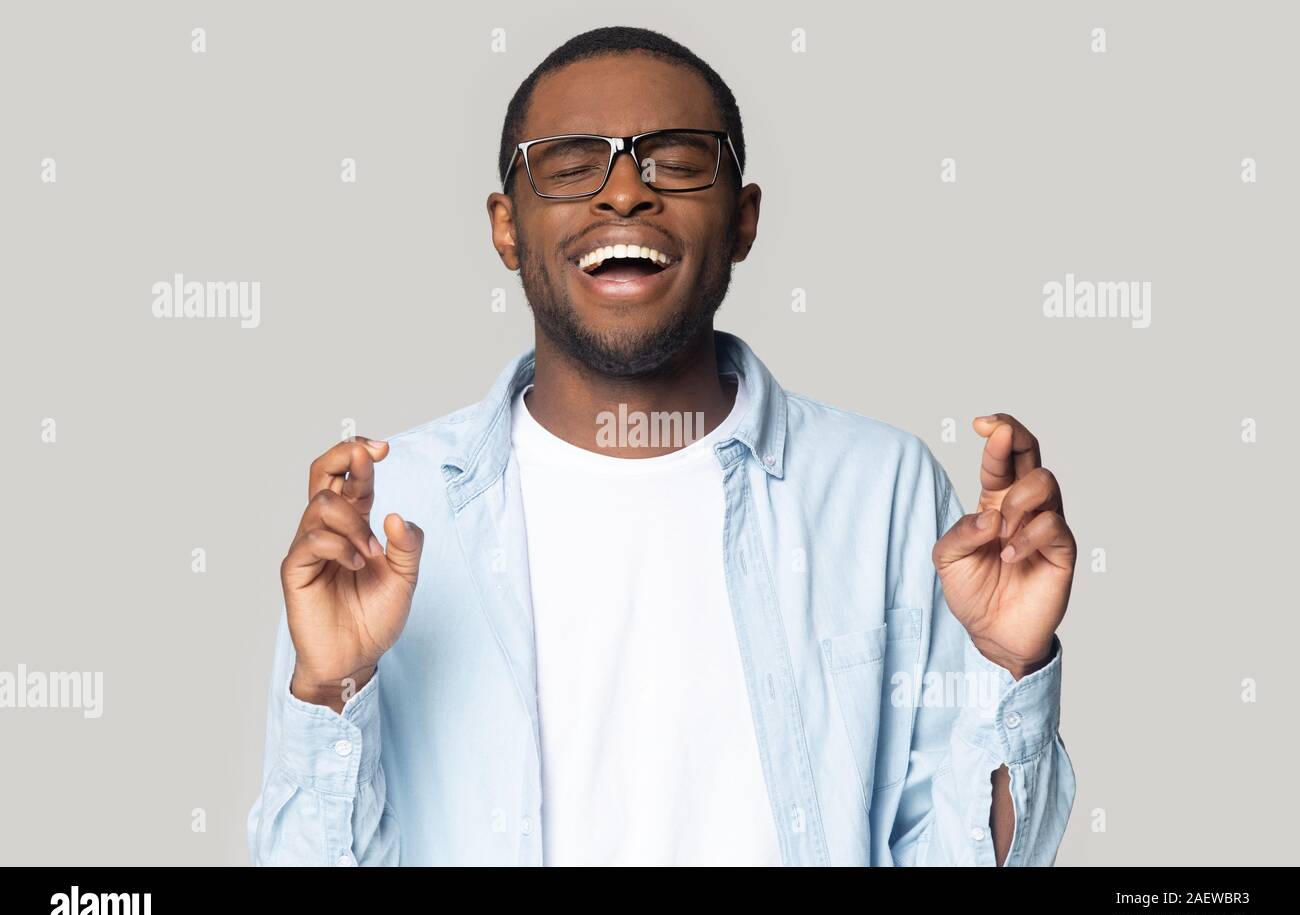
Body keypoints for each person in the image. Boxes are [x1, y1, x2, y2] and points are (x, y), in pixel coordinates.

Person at [247, 25, 1077, 867]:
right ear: (506, 229)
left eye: (674, 161)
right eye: (570, 165)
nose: (622, 194)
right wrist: (330, 689)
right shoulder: (390, 510)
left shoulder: (882, 489)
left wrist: (1013, 668)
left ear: (743, 220)